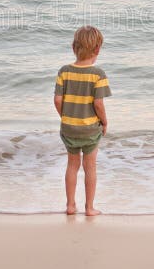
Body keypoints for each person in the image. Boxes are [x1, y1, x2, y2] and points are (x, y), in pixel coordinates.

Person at [53, 25, 111, 216]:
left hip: (69, 127)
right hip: (89, 130)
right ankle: (89, 208)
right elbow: (98, 104)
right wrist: (104, 122)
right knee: (90, 167)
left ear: (73, 47)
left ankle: (70, 206)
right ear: (97, 50)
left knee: (72, 165)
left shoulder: (64, 71)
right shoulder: (98, 74)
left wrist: (66, 117)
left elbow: (58, 100)